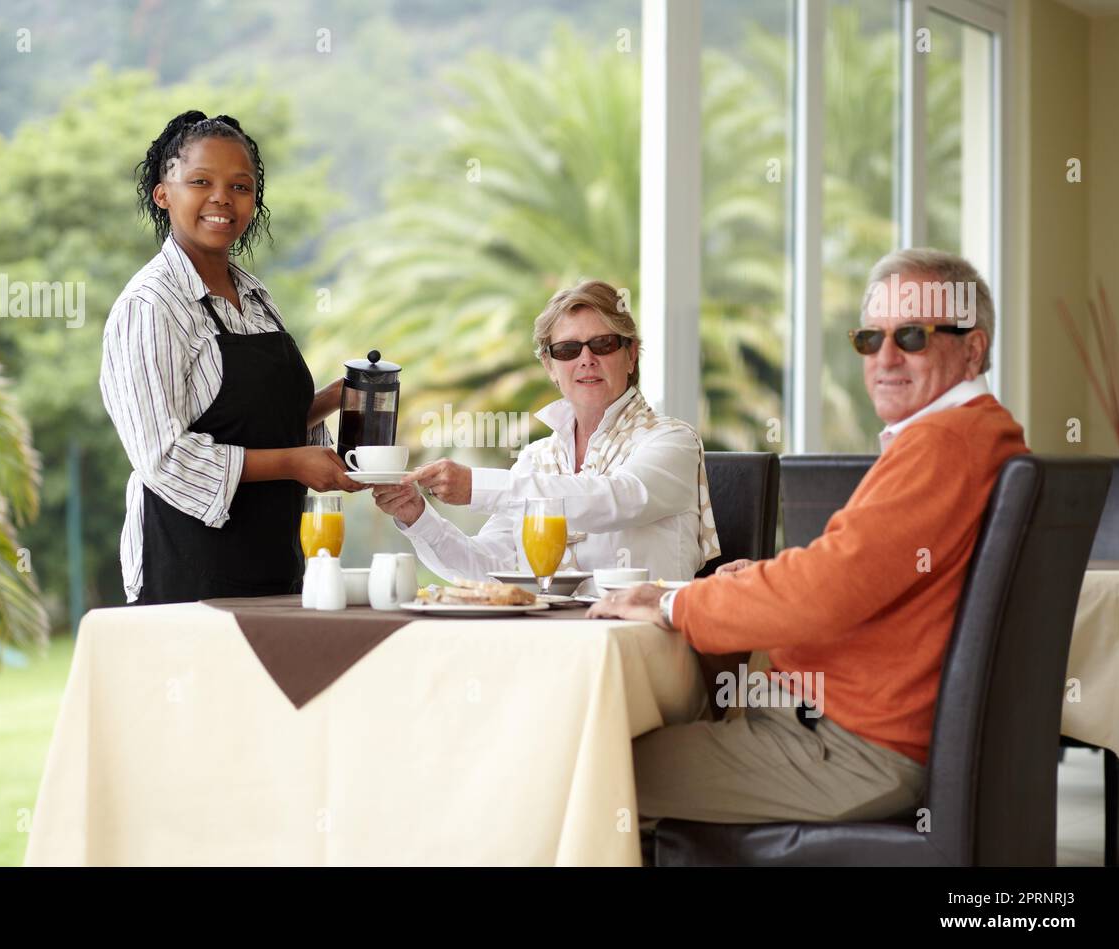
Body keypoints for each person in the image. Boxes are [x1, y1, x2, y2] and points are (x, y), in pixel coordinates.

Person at [590, 248, 1029, 825]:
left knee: (584, 771)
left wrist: (671, 603)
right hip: (858, 731)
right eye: (870, 339)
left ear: (972, 349)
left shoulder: (943, 443)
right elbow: (857, 571)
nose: (885, 358)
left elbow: (825, 593)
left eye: (913, 336)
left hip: (846, 747)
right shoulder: (982, 434)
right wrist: (765, 578)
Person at [100, 111, 361, 605]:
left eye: (240, 187)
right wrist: (293, 463)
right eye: (201, 181)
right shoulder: (150, 305)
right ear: (163, 194)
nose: (222, 198)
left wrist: (335, 398)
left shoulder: (255, 297)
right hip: (187, 569)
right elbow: (163, 457)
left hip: (275, 562)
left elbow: (258, 424)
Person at [371, 280, 720, 583]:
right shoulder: (537, 459)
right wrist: (418, 517)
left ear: (631, 356)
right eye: (568, 350)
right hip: (549, 632)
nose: (586, 359)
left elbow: (614, 498)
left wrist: (477, 486)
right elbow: (487, 568)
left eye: (602, 344)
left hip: (638, 632)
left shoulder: (673, 441)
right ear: (550, 366)